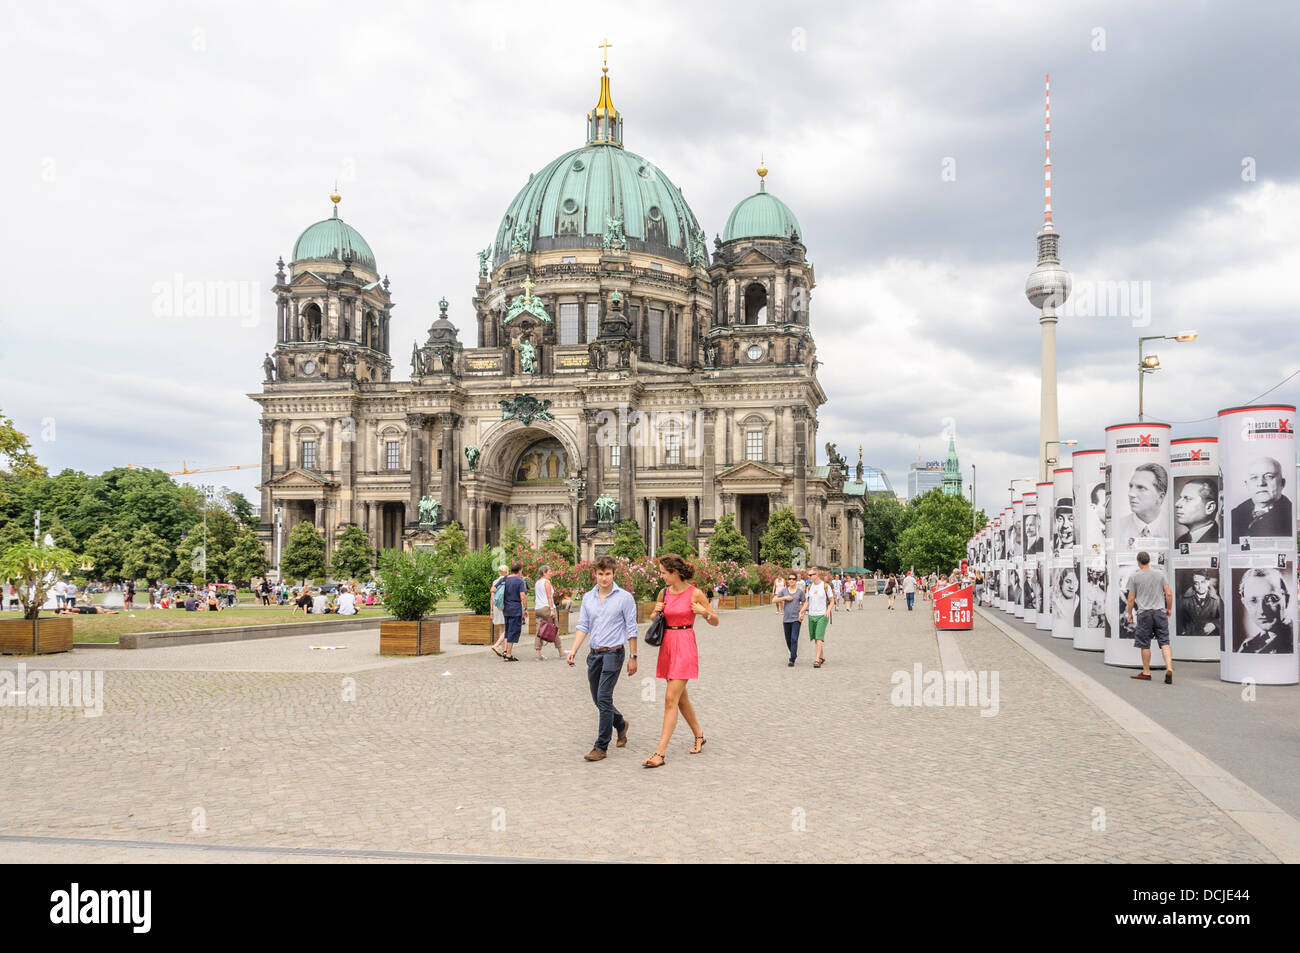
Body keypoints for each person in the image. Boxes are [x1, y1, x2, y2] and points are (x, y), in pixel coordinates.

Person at [639, 554, 719, 767]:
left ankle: (660, 753)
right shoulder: (663, 593)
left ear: (675, 573)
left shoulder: (696, 593)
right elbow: (656, 619)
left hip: (685, 645)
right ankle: (699, 735)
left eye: (664, 573)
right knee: (681, 699)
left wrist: (704, 613)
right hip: (667, 646)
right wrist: (654, 613)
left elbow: (715, 621)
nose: (661, 576)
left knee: (669, 699)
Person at [567, 555, 638, 762]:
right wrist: (573, 650)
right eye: (600, 574)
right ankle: (620, 723)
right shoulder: (589, 597)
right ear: (595, 575)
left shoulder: (624, 597)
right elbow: (583, 626)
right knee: (598, 700)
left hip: (614, 653)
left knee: (604, 697)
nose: (604, 578)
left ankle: (600, 746)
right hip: (594, 654)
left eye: (608, 574)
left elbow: (631, 629)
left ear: (614, 574)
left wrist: (633, 657)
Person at [1126, 551, 1174, 683]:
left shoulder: (1134, 577)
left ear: (1138, 562)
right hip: (1159, 612)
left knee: (1145, 644)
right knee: (1165, 642)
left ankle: (1146, 672)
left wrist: (1130, 613)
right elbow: (1168, 594)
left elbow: (1131, 598)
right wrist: (1168, 609)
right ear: (1149, 561)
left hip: (1144, 614)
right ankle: (1169, 668)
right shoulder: (1160, 575)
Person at [1230, 457, 1292, 543]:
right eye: (1254, 478)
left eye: (1269, 476)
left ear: (1282, 483)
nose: (1261, 483)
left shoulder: (1291, 515)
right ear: (1247, 485)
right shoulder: (1233, 516)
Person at [1235, 568, 1294, 654]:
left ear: (1286, 600)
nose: (1261, 610)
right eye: (1253, 600)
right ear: (1245, 603)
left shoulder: (1295, 641)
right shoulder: (1247, 645)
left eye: (1271, 599)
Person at [1115, 464, 1169, 544]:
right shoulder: (1117, 528)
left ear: (1160, 497)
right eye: (1131, 486)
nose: (1131, 494)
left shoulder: (1171, 528)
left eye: (1141, 488)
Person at [798, 566, 834, 668]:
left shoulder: (825, 586)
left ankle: (817, 660)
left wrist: (828, 610)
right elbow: (807, 601)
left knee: (819, 637)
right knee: (815, 638)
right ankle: (822, 656)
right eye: (808, 575)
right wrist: (801, 611)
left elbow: (832, 600)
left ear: (816, 575)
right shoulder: (809, 586)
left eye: (810, 575)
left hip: (822, 615)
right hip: (812, 615)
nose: (808, 576)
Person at [1174, 478, 1220, 545]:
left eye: (1187, 499)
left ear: (1209, 507)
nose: (1177, 504)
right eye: (1180, 498)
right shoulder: (1180, 541)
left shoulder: (1218, 539)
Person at [1177, 571, 1222, 638]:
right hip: (1190, 637)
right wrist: (1183, 632)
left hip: (1209, 638)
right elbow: (1178, 620)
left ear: (1208, 582)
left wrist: (1214, 624)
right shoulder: (1184, 600)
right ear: (1193, 584)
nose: (1200, 586)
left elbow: (1223, 619)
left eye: (1202, 582)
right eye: (1196, 583)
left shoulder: (1217, 600)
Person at [773, 573, 805, 665]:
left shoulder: (799, 592)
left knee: (794, 639)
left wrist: (801, 613)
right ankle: (793, 652)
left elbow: (804, 602)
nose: (791, 580)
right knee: (788, 640)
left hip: (796, 619)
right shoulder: (784, 591)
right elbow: (774, 600)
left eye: (793, 579)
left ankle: (792, 658)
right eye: (790, 579)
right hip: (786, 619)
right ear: (787, 580)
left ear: (796, 581)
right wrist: (784, 598)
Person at [533, 565, 562, 660]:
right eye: (549, 571)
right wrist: (552, 610)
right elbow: (549, 597)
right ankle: (561, 652)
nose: (551, 573)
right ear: (544, 573)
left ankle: (538, 654)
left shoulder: (537, 583)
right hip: (547, 608)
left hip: (538, 609)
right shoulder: (547, 582)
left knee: (539, 631)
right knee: (554, 628)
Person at [500, 564, 528, 661]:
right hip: (515, 609)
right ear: (519, 571)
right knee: (513, 631)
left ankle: (505, 651)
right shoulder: (520, 581)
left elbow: (493, 589)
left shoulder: (505, 579)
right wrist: (526, 608)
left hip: (506, 608)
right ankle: (508, 655)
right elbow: (523, 596)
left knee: (508, 630)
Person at [489, 565, 509, 657]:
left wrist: (491, 610)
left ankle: (502, 648)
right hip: (505, 606)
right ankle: (502, 648)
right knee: (507, 628)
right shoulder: (508, 580)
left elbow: (492, 597)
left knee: (501, 628)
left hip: (497, 607)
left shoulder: (495, 581)